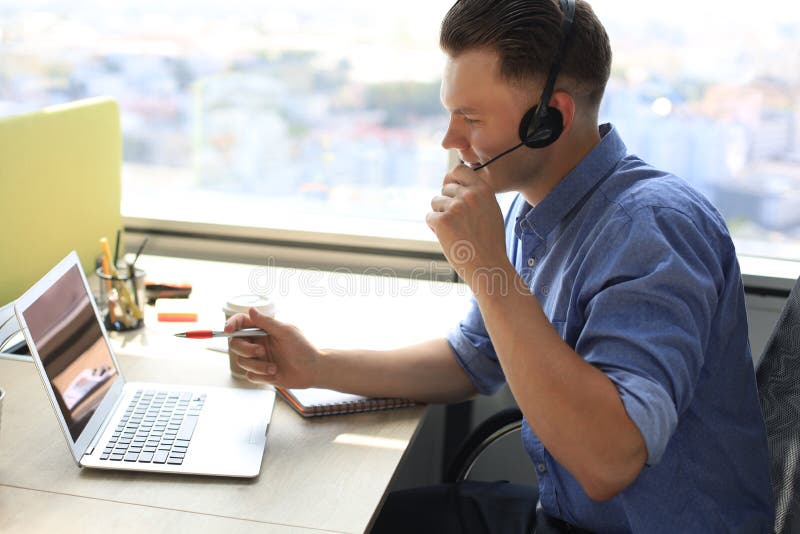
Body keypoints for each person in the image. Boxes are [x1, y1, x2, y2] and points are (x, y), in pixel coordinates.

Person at [225, 0, 775, 531]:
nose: (450, 139)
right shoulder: (527, 212)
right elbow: (470, 360)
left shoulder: (652, 228)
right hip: (564, 515)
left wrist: (487, 265)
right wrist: (316, 365)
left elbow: (610, 462)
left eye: (470, 118)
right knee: (367, 519)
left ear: (549, 119)